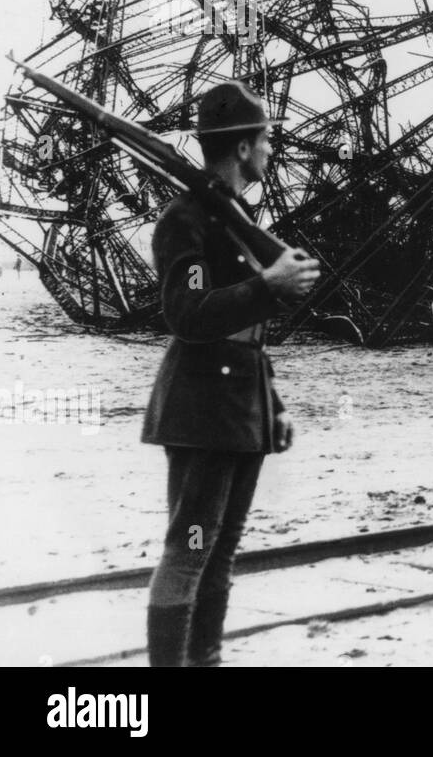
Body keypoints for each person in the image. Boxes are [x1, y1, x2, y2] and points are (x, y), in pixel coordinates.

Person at [142, 81, 319, 666]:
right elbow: (189, 316)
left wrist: (275, 403)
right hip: (201, 408)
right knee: (190, 548)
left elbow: (248, 330)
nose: (272, 150)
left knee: (219, 551)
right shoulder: (186, 221)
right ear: (243, 148)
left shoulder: (233, 216)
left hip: (238, 405)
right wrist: (266, 286)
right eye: (266, 140)